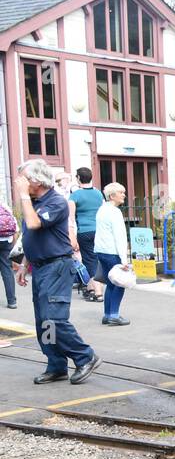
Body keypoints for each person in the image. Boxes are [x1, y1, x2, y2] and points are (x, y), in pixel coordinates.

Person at [12, 159, 99, 384]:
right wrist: (23, 264)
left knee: (54, 318)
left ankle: (85, 356)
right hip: (41, 268)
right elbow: (32, 237)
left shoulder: (56, 202)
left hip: (57, 267)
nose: (19, 183)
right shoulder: (35, 202)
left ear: (35, 180)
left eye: (23, 179)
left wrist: (22, 196)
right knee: (44, 321)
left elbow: (33, 225)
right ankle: (56, 364)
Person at [94, 183, 132, 326]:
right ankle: (114, 315)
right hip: (112, 252)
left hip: (101, 251)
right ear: (112, 196)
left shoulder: (102, 209)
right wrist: (124, 259)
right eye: (121, 192)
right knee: (119, 283)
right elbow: (120, 236)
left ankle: (107, 314)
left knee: (110, 283)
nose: (124, 195)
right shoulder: (115, 212)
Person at [69, 168, 104, 300]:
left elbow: (70, 219)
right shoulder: (99, 194)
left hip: (84, 231)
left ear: (78, 178)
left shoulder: (75, 196)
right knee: (97, 259)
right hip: (99, 231)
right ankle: (90, 288)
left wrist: (72, 236)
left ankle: (98, 292)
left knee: (89, 261)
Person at [0, 200, 17, 308]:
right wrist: (13, 246)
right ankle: (12, 301)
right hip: (7, 241)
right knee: (7, 270)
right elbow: (15, 228)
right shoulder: (4, 205)